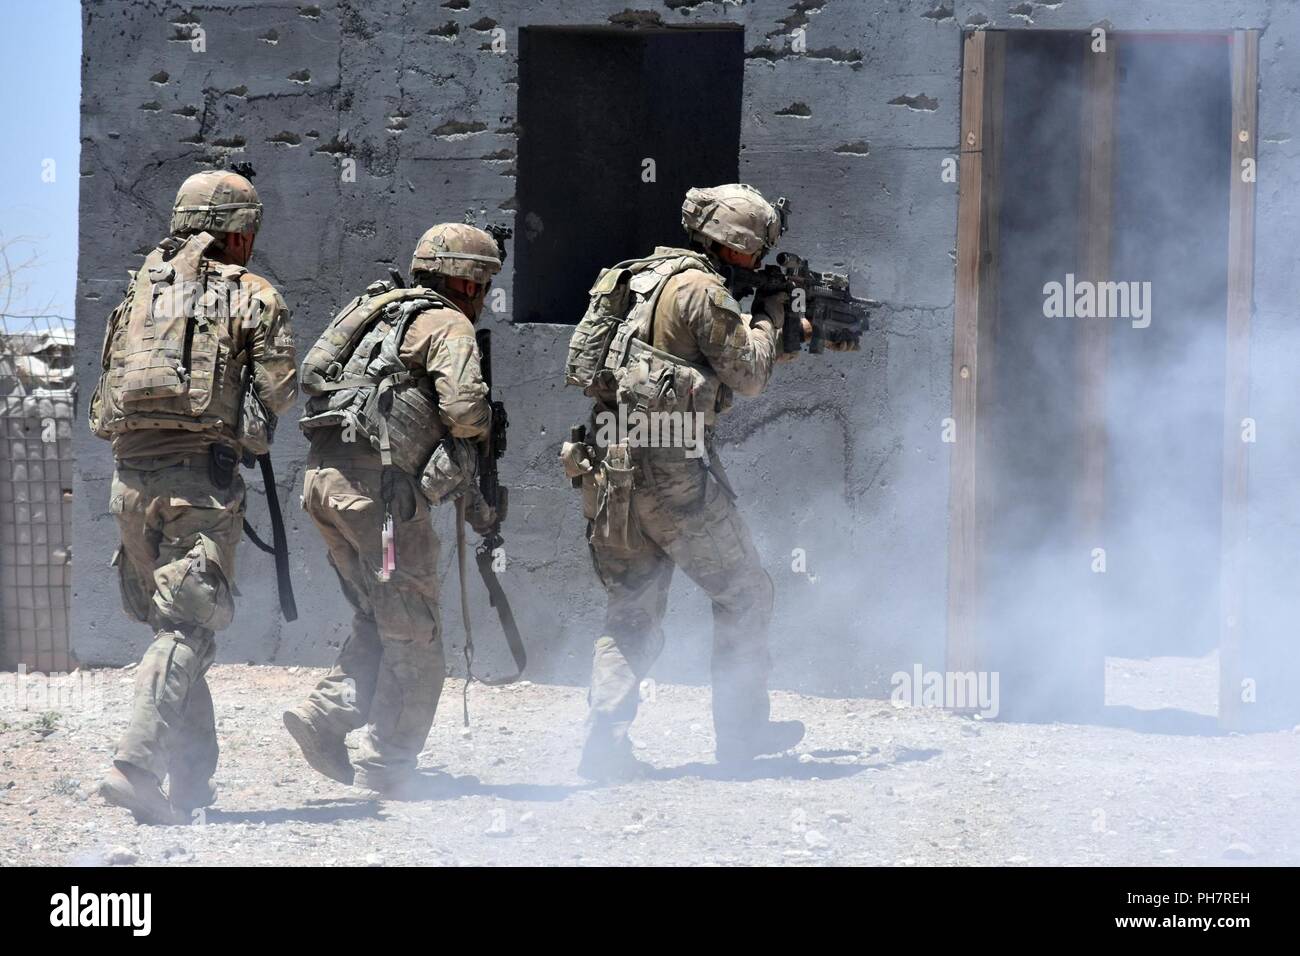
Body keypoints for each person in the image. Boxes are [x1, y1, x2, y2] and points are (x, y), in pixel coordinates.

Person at [561, 184, 806, 779]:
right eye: (757, 250)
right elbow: (746, 373)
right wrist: (773, 317)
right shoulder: (702, 289)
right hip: (671, 475)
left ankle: (605, 742)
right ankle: (743, 733)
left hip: (612, 469)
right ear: (739, 245)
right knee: (747, 593)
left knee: (632, 611)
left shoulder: (642, 276)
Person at [91, 168, 297, 823]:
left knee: (177, 630)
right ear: (236, 235)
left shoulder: (138, 292)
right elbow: (281, 388)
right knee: (188, 630)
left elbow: (102, 405)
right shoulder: (252, 294)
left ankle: (189, 788)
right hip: (197, 486)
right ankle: (134, 766)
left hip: (128, 485)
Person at [282, 223, 501, 797]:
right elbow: (465, 407)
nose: (482, 299)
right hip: (379, 499)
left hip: (322, 483)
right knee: (417, 635)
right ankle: (388, 763)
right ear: (464, 280)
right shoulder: (446, 322)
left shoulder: (377, 312)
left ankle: (326, 715)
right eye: (481, 284)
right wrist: (473, 434)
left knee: (381, 617)